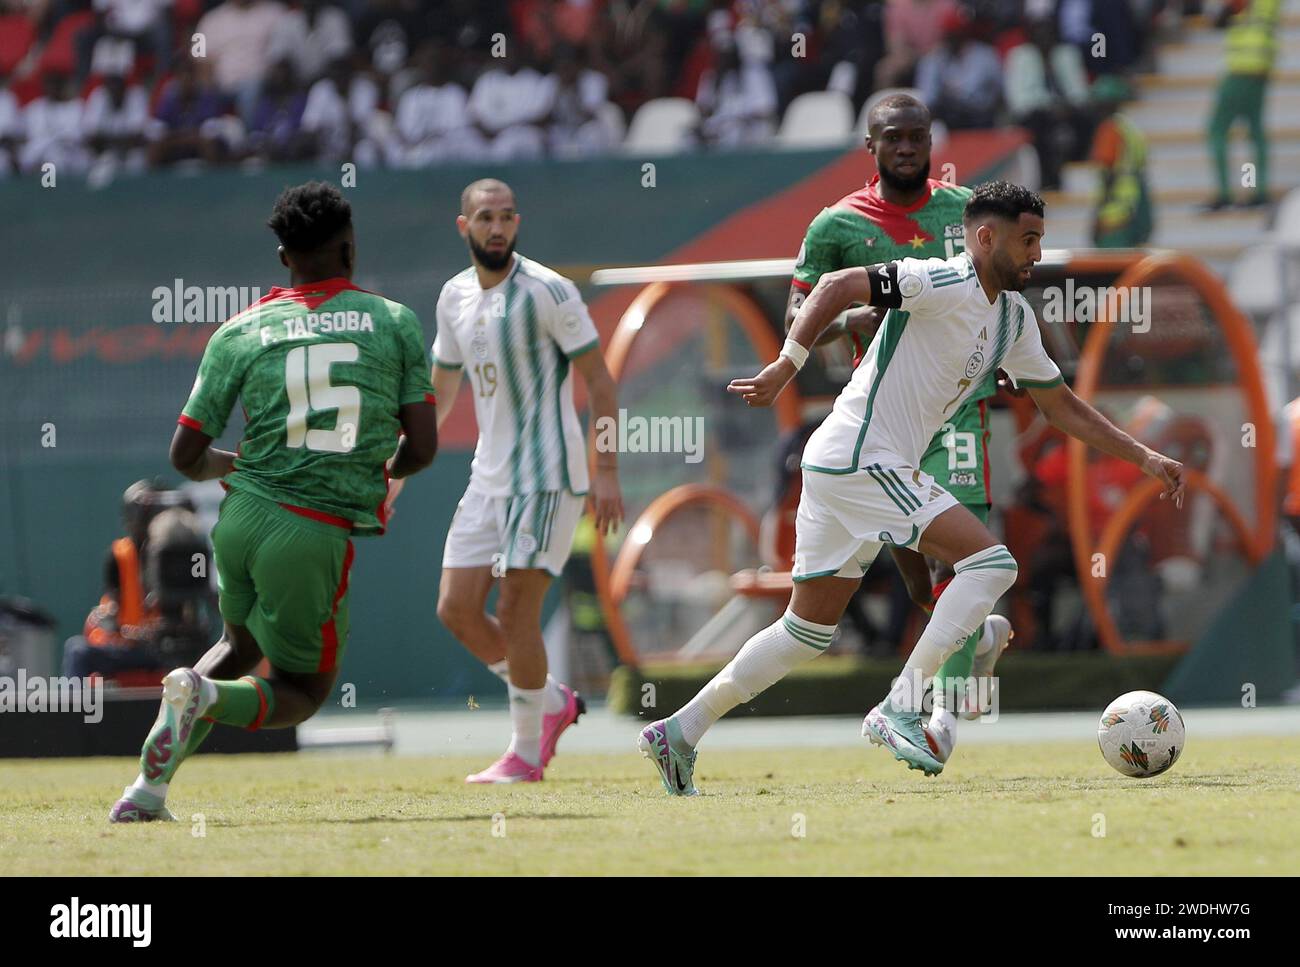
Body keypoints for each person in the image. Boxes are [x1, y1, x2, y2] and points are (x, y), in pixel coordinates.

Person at [639, 182, 1186, 793]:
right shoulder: (941, 280)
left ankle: (679, 731)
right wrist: (787, 364)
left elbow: (1061, 407)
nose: (1036, 253)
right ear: (985, 238)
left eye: (1040, 239)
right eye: (1027, 239)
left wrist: (1142, 455)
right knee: (992, 563)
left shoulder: (1011, 319)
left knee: (804, 634)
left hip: (849, 466)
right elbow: (836, 286)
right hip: (858, 457)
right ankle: (901, 704)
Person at [108, 181, 438, 822]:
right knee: (302, 690)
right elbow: (421, 448)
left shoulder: (240, 330)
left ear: (284, 257)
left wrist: (243, 466)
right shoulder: (394, 322)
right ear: (350, 247)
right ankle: (201, 696)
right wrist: (379, 476)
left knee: (236, 645)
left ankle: (145, 791)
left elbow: (185, 455)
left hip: (239, 522)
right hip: (310, 532)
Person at [782, 93, 1011, 765]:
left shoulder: (965, 210)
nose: (907, 148)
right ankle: (980, 636)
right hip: (885, 420)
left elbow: (1004, 285)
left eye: (918, 137)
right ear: (871, 146)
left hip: (959, 408)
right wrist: (845, 321)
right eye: (894, 138)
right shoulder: (836, 226)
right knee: (922, 585)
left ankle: (938, 716)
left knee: (966, 557)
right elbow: (798, 311)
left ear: (932, 141)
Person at [404, 178, 623, 783]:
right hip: (487, 478)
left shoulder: (549, 291)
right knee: (456, 609)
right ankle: (549, 701)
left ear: (517, 223)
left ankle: (525, 753)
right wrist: (402, 465)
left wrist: (605, 470)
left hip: (549, 477)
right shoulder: (453, 297)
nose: (496, 228)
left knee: (517, 610)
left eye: (505, 218)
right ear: (464, 226)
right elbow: (443, 388)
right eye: (485, 218)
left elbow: (602, 385)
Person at [1204, 0, 1282, 211]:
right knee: (1255, 132)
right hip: (1261, 68)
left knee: (1217, 131)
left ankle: (1224, 193)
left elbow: (1221, 18)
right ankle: (1258, 190)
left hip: (1240, 69)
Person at [1089, 75, 1152, 247]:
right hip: (1136, 206)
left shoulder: (1108, 130)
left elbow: (1107, 173)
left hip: (1115, 212)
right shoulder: (1130, 129)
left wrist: (1096, 216)